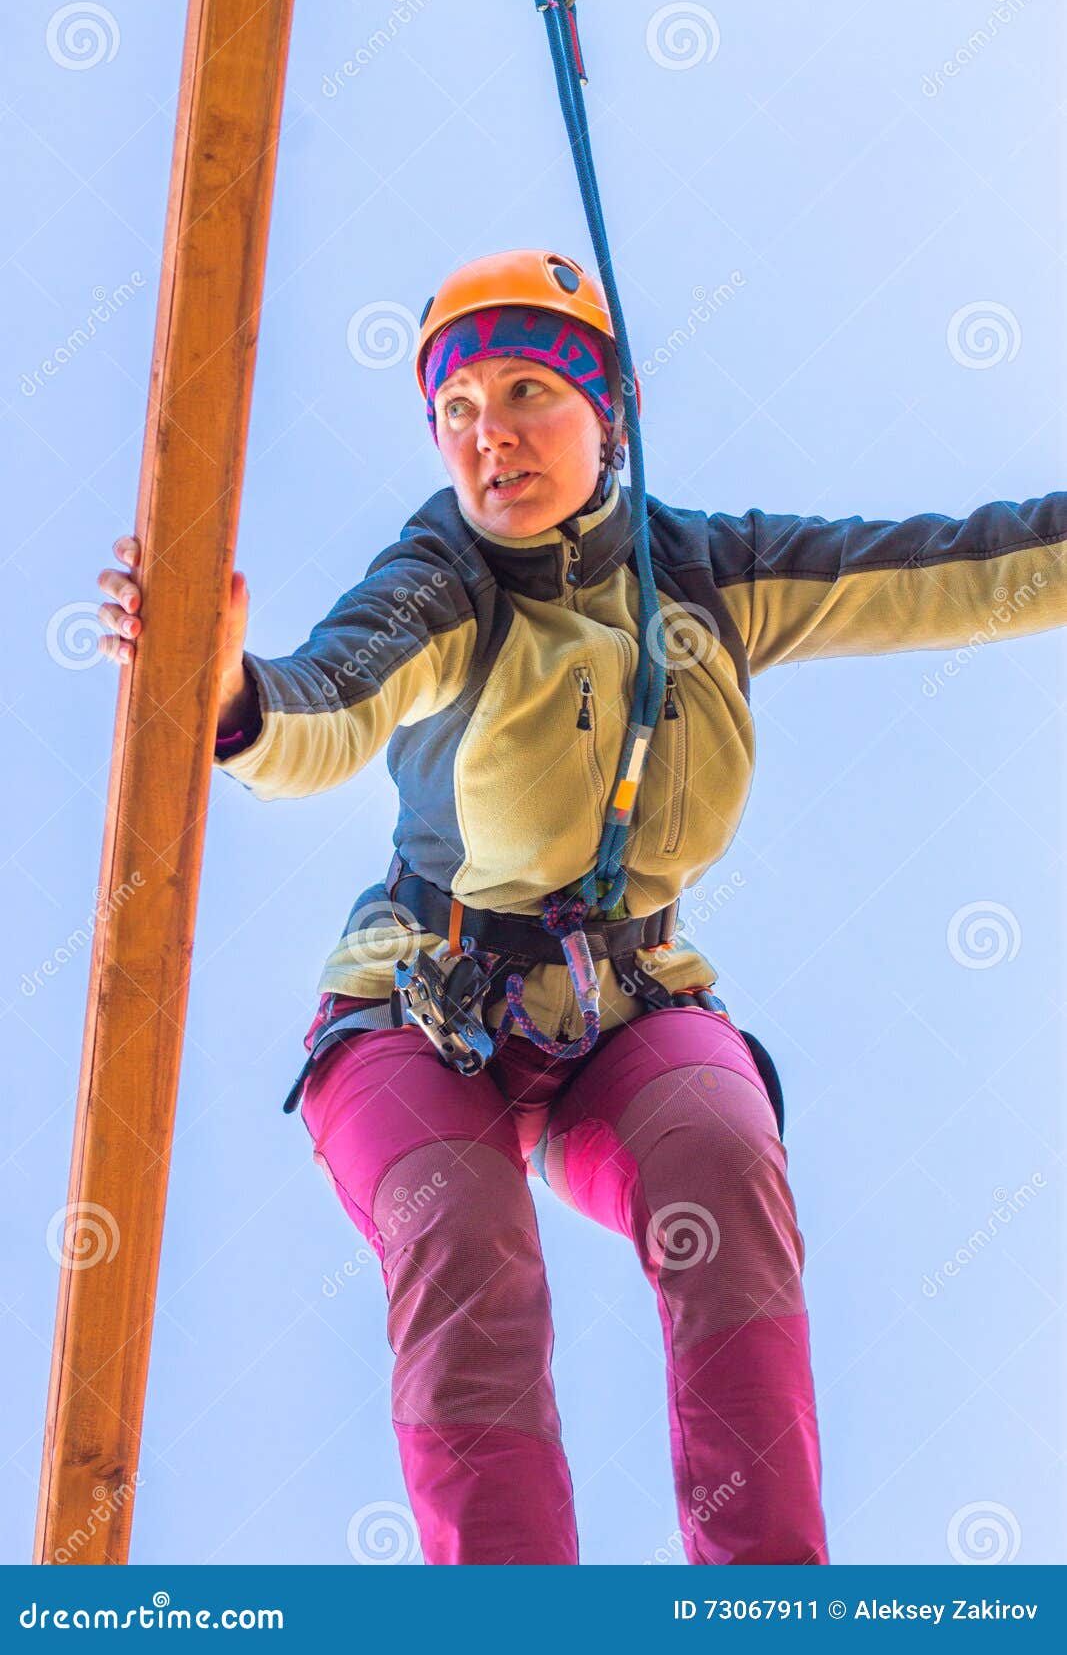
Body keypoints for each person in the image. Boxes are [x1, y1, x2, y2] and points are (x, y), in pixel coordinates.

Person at [96, 248, 1067, 1567]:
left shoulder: (705, 573)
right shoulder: (446, 577)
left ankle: (768, 1595)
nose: (489, 435)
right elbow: (335, 694)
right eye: (458, 411)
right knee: (460, 1226)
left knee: (722, 1163)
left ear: (610, 410)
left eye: (528, 391)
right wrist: (229, 696)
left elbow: (961, 570)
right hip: (416, 1015)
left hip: (626, 1011)